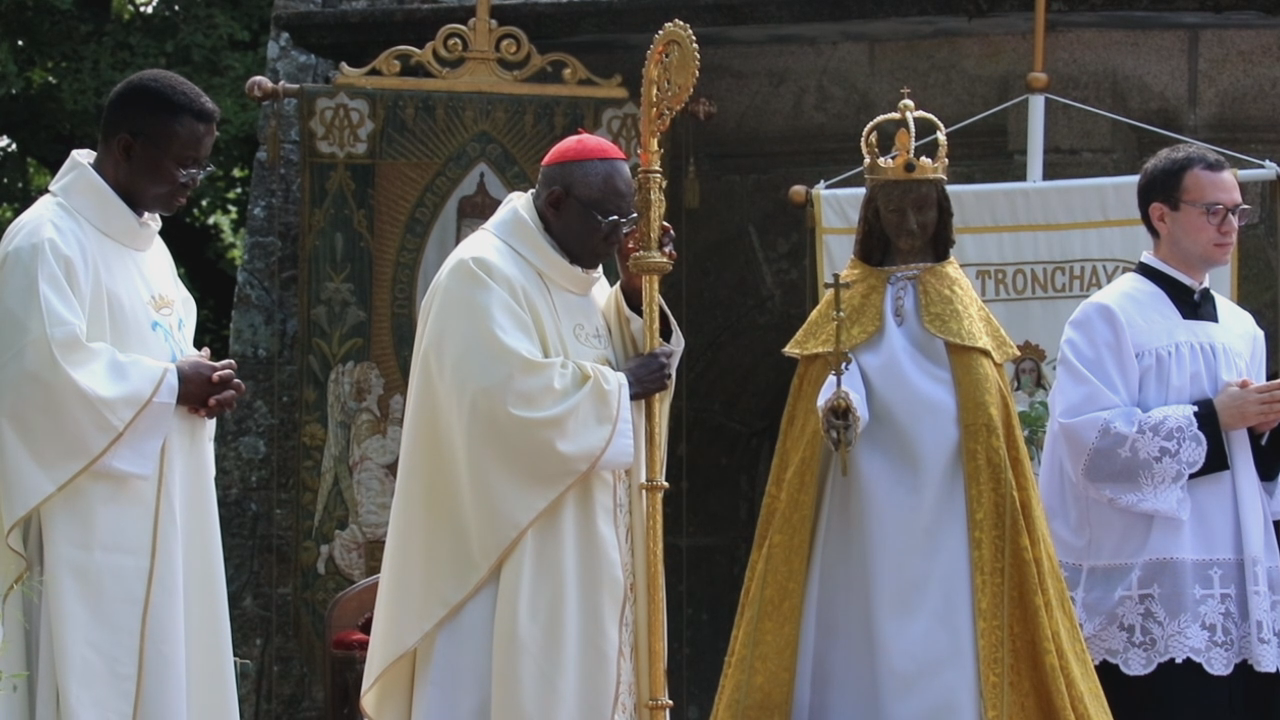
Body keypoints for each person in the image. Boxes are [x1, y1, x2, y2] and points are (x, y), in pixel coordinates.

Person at [712, 96, 1110, 720]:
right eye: (894, 208)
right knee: (857, 612)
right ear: (873, 215)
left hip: (951, 502)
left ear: (940, 213)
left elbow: (983, 414)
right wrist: (840, 407)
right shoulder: (848, 298)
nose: (907, 221)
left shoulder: (961, 311)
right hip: (861, 501)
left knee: (953, 626)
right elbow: (839, 368)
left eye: (920, 206)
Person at [359, 132, 684, 720]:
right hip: (511, 560)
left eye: (627, 219)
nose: (618, 235)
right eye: (610, 220)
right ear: (556, 203)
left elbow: (606, 351)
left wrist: (634, 296)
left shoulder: (575, 271)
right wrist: (618, 389)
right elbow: (499, 404)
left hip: (587, 552)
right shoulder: (481, 275)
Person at [0, 69, 246, 719]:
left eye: (202, 169)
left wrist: (198, 385)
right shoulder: (44, 241)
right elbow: (40, 378)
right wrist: (169, 383)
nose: (193, 184)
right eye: (184, 166)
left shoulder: (149, 248)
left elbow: (158, 356)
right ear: (127, 147)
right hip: (89, 519)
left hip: (165, 509)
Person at [1038, 143, 1280, 719]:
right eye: (1213, 211)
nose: (1229, 226)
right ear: (1161, 215)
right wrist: (1214, 418)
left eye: (1237, 212)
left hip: (1235, 571)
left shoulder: (1241, 325)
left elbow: (1250, 462)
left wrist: (1265, 429)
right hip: (1151, 578)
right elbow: (1094, 448)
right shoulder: (1108, 316)